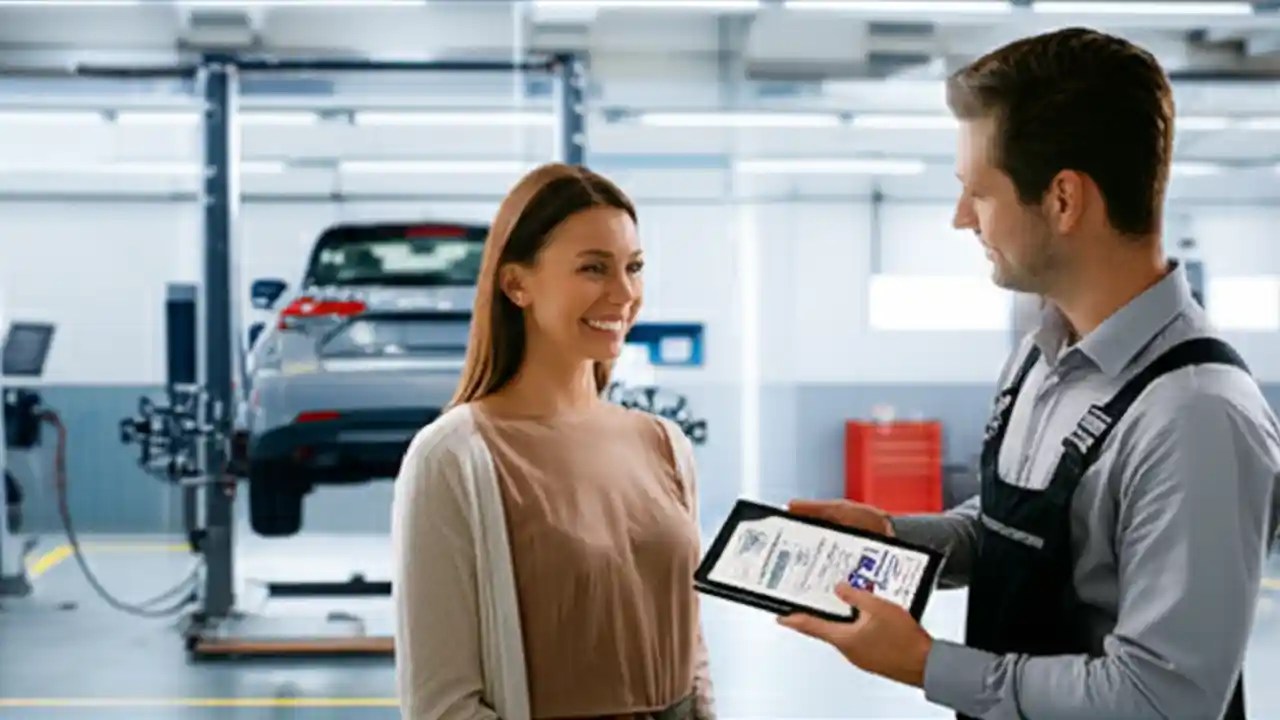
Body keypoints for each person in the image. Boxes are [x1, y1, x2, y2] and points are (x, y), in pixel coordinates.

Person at [776, 26, 1280, 720]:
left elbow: (1163, 700)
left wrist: (925, 664)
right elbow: (1021, 533)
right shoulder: (1042, 358)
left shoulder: (1195, 416)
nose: (960, 219)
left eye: (977, 193)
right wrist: (898, 540)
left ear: (1064, 200)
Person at [390, 162, 716, 720]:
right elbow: (442, 706)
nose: (624, 294)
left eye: (633, 268)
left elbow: (692, 651)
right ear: (516, 284)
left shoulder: (664, 444)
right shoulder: (453, 457)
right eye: (593, 268)